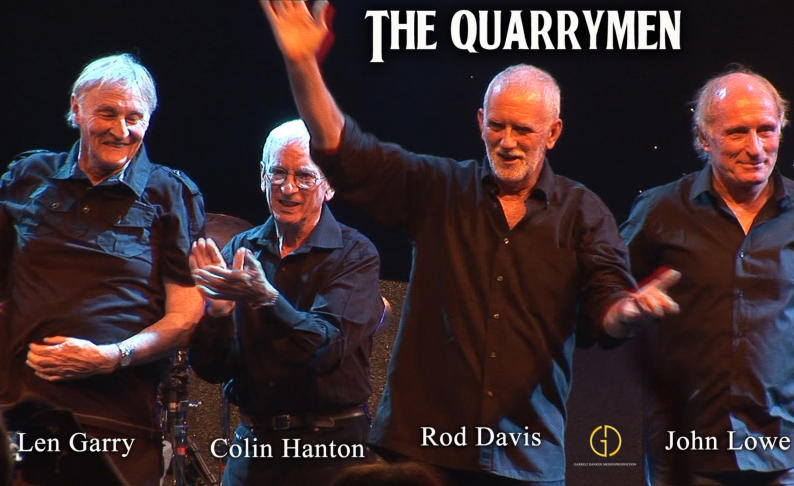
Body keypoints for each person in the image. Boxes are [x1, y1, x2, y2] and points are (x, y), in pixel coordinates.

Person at [260, 2, 680, 485]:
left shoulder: (583, 213)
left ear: (553, 133)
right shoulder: (439, 189)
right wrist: (303, 65)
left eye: (523, 129)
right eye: (497, 125)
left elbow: (606, 304)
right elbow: (347, 152)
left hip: (525, 459)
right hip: (423, 453)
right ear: (480, 121)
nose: (507, 141)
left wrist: (627, 310)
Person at [0, 53, 205, 486]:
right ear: (76, 109)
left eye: (135, 117)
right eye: (108, 113)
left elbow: (185, 316)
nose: (122, 129)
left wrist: (113, 356)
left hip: (116, 426)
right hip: (19, 416)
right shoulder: (27, 176)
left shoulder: (169, 193)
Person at [622, 67, 794, 486]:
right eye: (737, 133)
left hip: (782, 451)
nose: (755, 148)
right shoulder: (660, 211)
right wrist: (625, 304)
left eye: (766, 130)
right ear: (704, 138)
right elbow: (603, 290)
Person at [189, 119, 384, 486]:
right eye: (278, 173)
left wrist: (267, 297)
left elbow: (327, 347)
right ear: (262, 177)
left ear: (329, 185)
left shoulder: (355, 254)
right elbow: (212, 370)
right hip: (254, 446)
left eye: (304, 176)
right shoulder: (241, 248)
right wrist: (217, 314)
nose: (288, 187)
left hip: (330, 448)